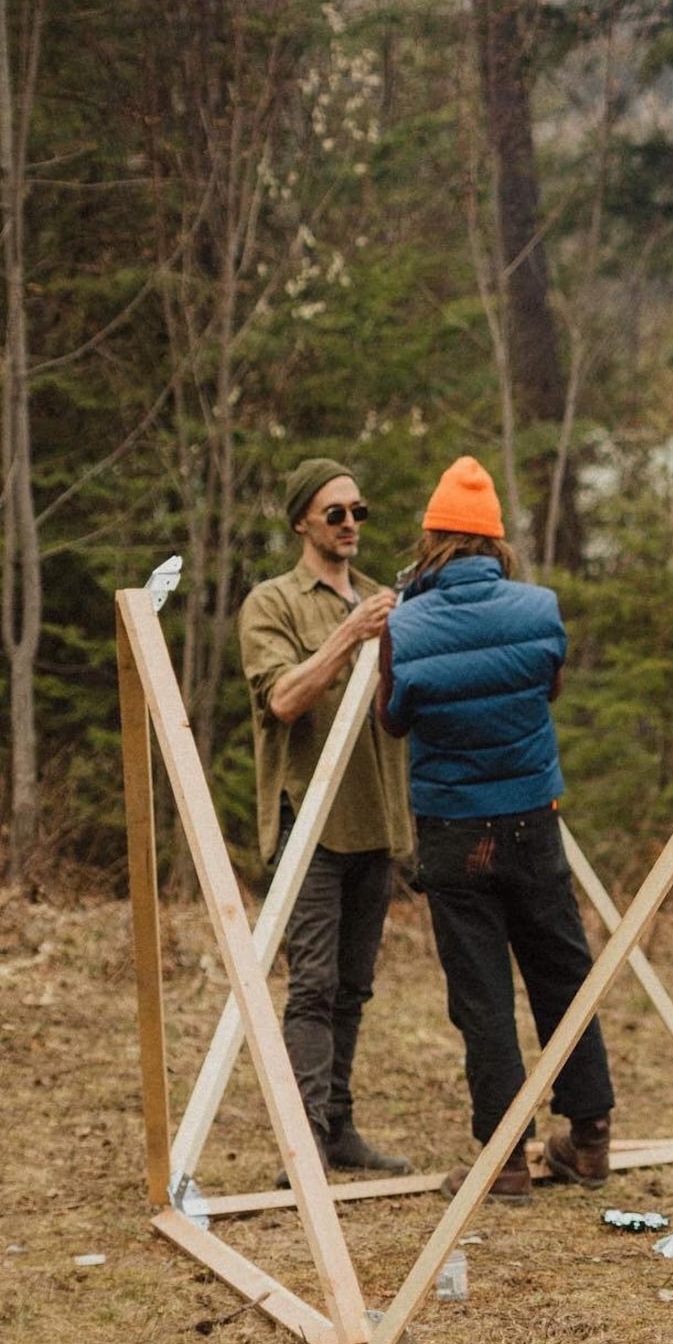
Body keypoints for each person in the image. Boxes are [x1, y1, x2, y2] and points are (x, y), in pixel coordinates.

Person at [378, 456, 614, 1200]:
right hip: (530, 822)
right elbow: (547, 686)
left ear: (433, 543)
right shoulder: (540, 609)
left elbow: (393, 719)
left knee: (481, 991)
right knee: (562, 973)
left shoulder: (404, 623)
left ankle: (505, 1158)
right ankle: (590, 1138)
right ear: (495, 543)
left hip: (454, 830)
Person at [238, 457, 414, 1182]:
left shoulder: (383, 598)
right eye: (335, 513)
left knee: (354, 985)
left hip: (374, 819)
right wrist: (350, 636)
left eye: (358, 512)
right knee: (311, 985)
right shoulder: (271, 602)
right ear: (303, 520)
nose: (350, 525)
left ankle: (338, 1128)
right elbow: (282, 701)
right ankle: (302, 1144)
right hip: (307, 823)